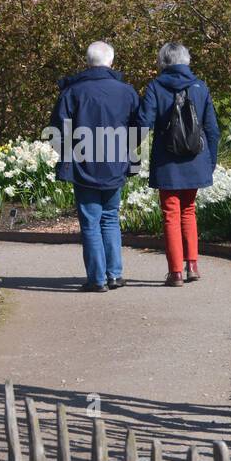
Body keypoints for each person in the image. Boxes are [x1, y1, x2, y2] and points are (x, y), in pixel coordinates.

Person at [47, 40, 140, 293]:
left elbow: (56, 130)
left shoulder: (72, 92)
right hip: (115, 163)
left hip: (83, 164)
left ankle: (97, 279)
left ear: (87, 61)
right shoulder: (127, 91)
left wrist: (70, 153)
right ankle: (115, 274)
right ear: (111, 61)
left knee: (90, 222)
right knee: (110, 219)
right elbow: (138, 128)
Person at [138, 42, 220, 286]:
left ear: (163, 62)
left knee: (170, 214)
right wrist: (210, 162)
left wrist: (124, 149)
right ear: (187, 61)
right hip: (195, 158)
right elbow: (212, 130)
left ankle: (175, 273)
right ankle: (192, 265)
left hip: (167, 160)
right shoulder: (200, 87)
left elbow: (144, 124)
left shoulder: (155, 86)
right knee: (189, 210)